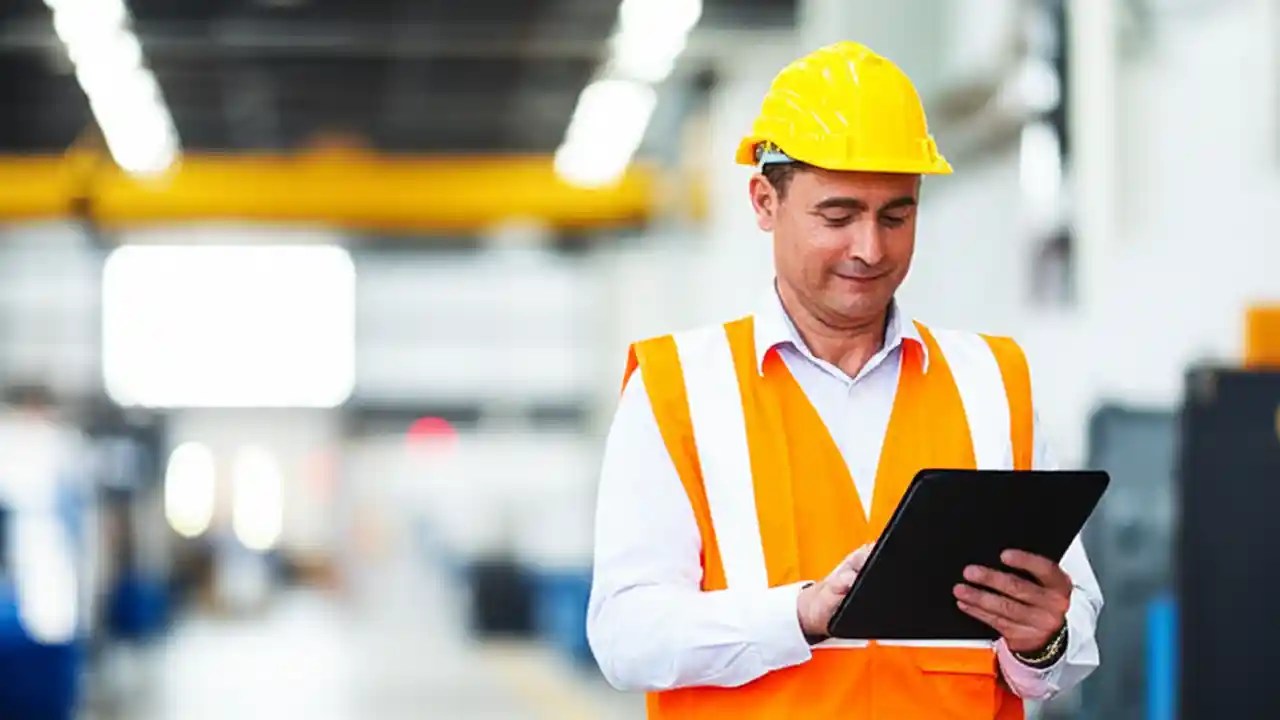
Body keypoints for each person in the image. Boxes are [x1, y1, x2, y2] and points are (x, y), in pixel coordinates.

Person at [586, 41, 1102, 719]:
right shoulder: (678, 388)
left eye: (897, 215)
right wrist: (796, 616)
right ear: (764, 201)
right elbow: (625, 637)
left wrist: (1044, 639)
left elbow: (1073, 625)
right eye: (837, 216)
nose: (871, 248)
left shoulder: (992, 384)